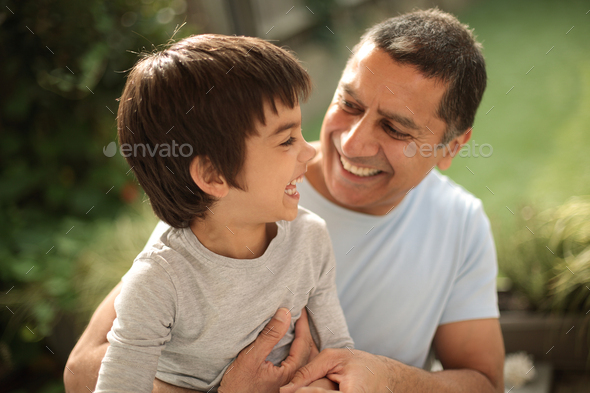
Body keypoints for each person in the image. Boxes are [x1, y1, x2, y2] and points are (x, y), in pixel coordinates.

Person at [65, 8, 504, 393]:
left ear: (450, 147)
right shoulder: (239, 193)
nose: (352, 143)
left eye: (395, 129)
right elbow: (83, 370)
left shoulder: (459, 223)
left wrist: (388, 381)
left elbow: (485, 383)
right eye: (349, 104)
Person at [93, 34, 353, 392]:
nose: (310, 152)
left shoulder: (310, 238)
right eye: (286, 140)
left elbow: (340, 355)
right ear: (213, 175)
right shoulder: (159, 282)